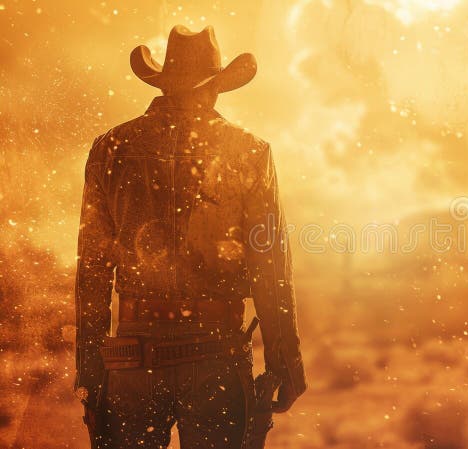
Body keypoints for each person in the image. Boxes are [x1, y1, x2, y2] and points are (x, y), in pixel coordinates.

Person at [73, 25, 306, 448]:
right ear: (217, 86)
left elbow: (92, 268)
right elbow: (268, 266)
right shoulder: (249, 151)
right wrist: (284, 363)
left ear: (163, 82)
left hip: (131, 359)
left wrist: (90, 373)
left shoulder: (111, 148)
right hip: (215, 356)